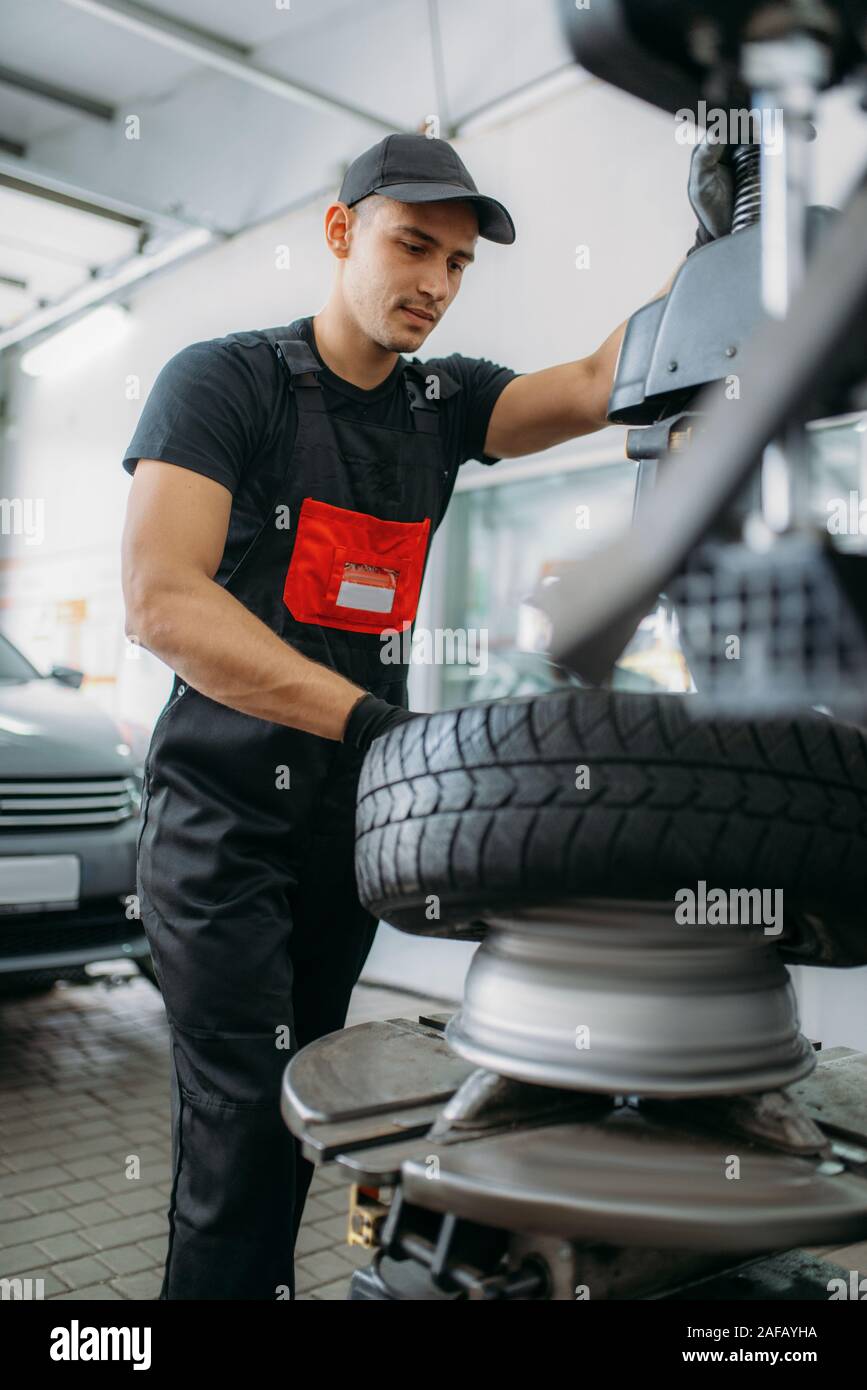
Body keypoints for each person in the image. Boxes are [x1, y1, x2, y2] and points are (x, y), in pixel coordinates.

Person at [120, 132, 697, 1300]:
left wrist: (719, 252)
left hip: (345, 830)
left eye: (458, 264)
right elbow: (161, 600)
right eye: (412, 245)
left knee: (298, 1111)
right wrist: (380, 729)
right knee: (235, 1137)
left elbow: (595, 384)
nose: (434, 281)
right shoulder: (221, 381)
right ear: (342, 233)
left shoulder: (445, 405)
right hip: (221, 824)